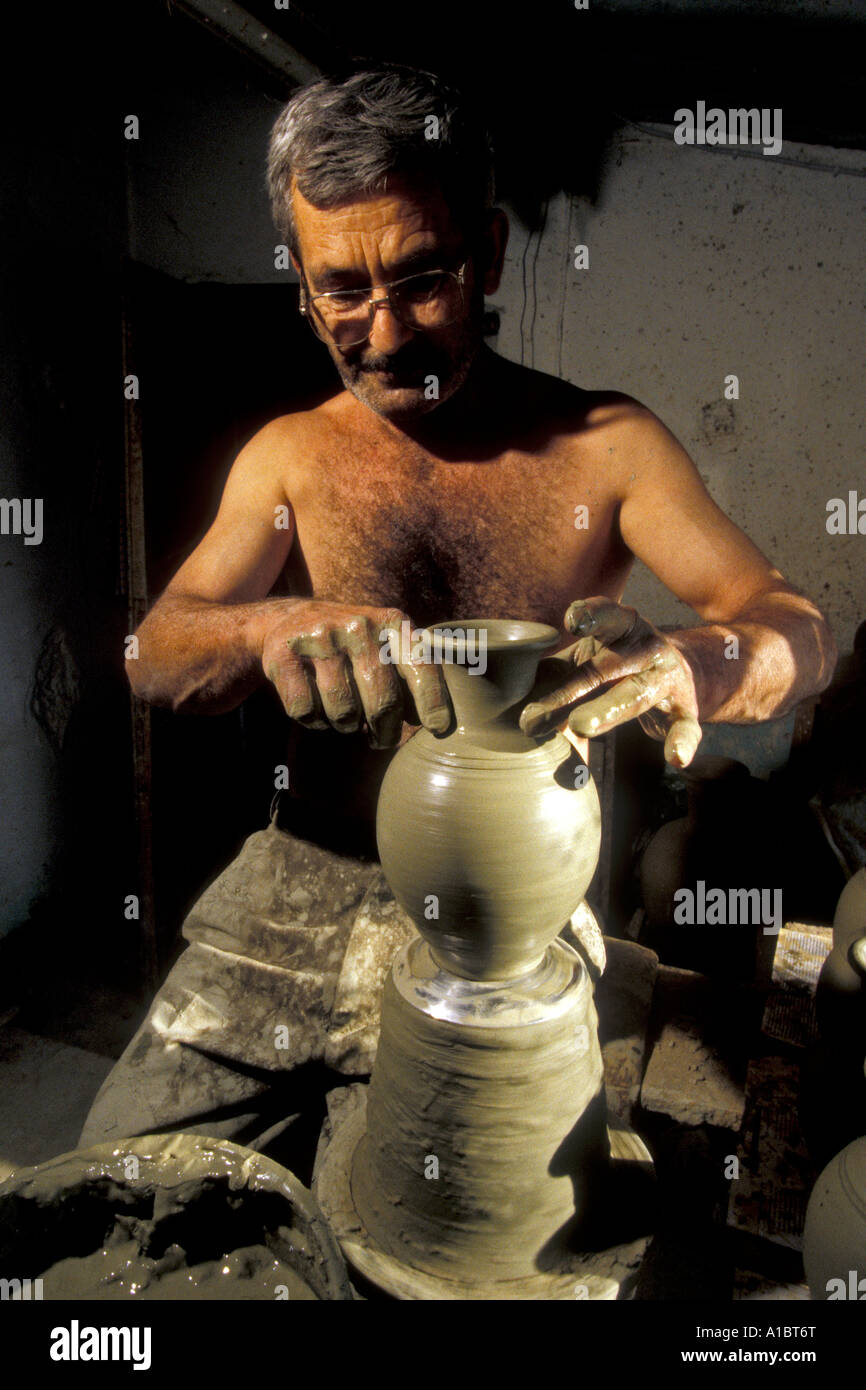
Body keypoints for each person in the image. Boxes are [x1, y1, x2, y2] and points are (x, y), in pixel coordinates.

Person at [80, 65, 836, 1179]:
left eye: (421, 279)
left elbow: (796, 631)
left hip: (506, 913)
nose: (382, 334)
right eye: (341, 290)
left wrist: (692, 662)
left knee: (454, 1232)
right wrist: (267, 628)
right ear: (299, 286)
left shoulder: (604, 446)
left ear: (486, 252)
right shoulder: (288, 455)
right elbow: (154, 651)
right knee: (106, 1190)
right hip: (298, 887)